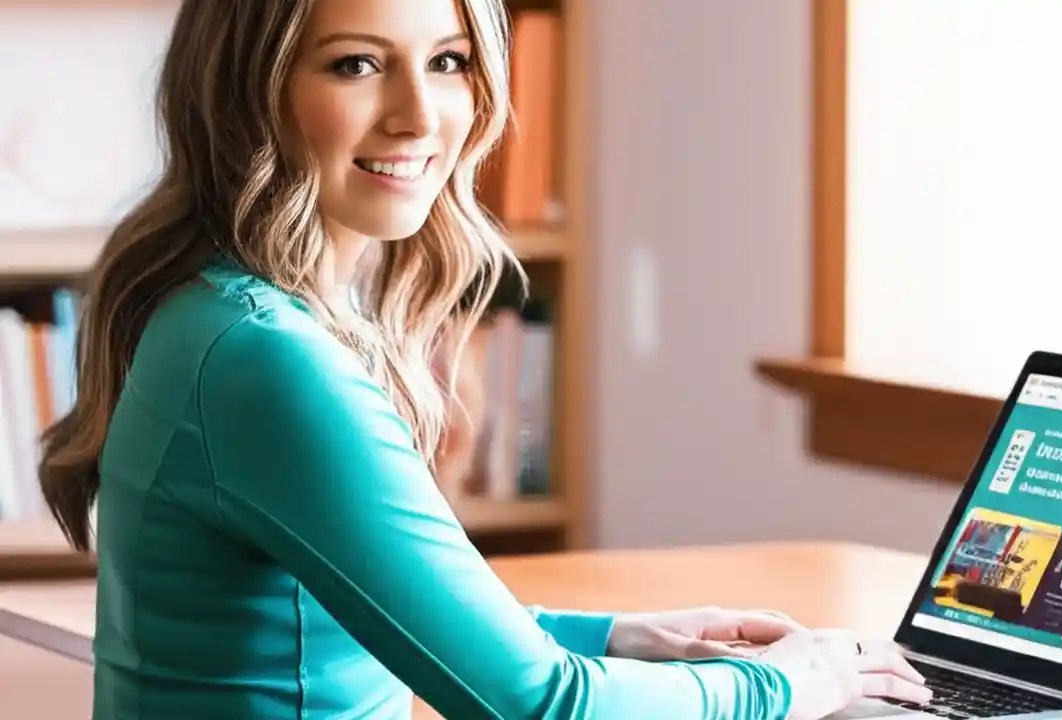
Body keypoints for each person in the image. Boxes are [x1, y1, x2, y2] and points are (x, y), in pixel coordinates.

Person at [36, 0, 933, 718]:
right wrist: (792, 686)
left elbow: (386, 622)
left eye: (450, 60)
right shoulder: (266, 362)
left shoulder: (213, 304)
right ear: (246, 93)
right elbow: (536, 703)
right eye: (356, 63)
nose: (420, 115)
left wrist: (621, 636)